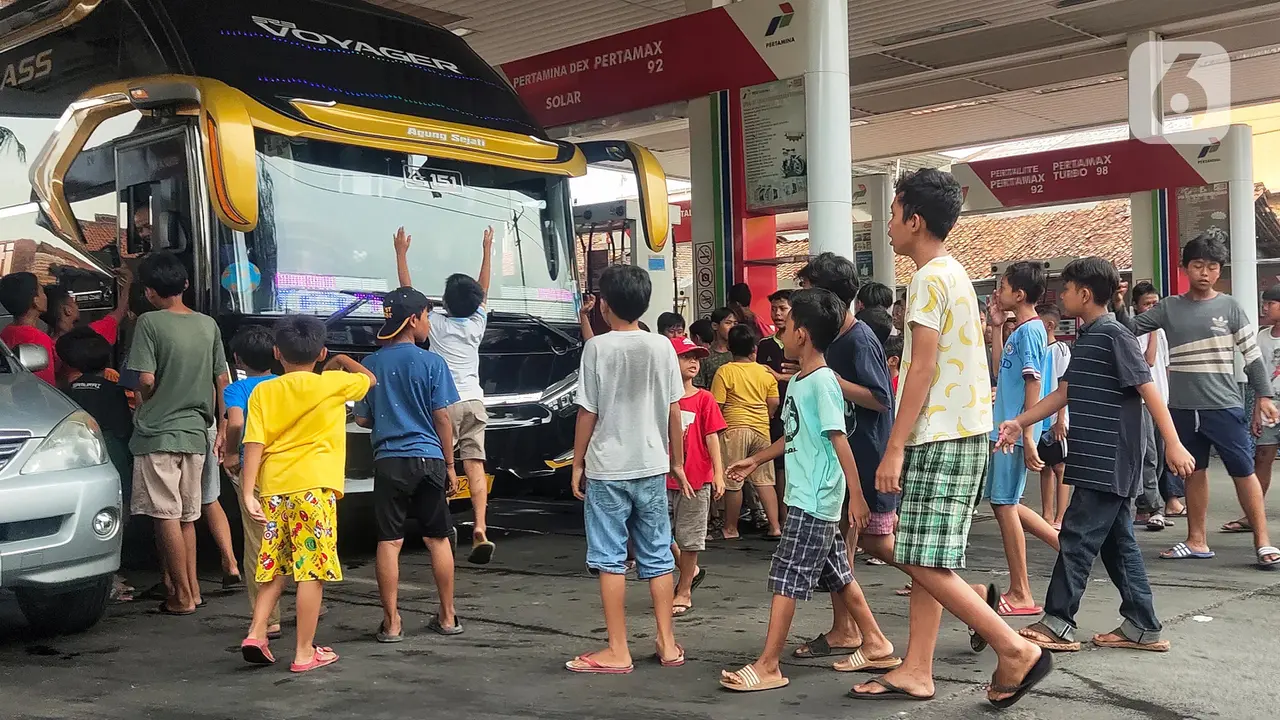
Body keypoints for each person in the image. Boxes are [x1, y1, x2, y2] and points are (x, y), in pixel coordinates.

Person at [852, 169, 1049, 707]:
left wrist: (894, 446)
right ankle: (917, 668)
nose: (887, 227)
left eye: (891, 216)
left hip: (940, 433)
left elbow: (920, 369)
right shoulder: (952, 274)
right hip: (960, 429)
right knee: (928, 559)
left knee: (918, 558)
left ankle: (1012, 648)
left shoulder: (927, 280)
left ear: (914, 221)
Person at [998, 256, 1196, 654]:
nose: (1061, 296)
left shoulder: (1113, 335)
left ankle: (1057, 621)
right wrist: (1020, 422)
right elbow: (1063, 393)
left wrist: (1172, 442)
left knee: (1077, 536)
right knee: (1117, 543)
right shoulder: (1088, 336)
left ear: (1085, 294)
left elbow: (1148, 389)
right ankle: (1142, 625)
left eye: (1067, 289)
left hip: (1110, 458)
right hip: (1096, 457)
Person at [718, 288, 886, 692]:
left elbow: (837, 438)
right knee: (838, 573)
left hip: (816, 497)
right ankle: (876, 642)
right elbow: (796, 435)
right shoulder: (800, 380)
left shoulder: (822, 382)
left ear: (803, 335)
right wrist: (756, 459)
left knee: (786, 574)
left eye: (788, 323)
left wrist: (857, 496)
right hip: (807, 494)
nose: (781, 329)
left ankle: (769, 664)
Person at [1124, 234, 1280, 568]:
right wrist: (1117, 303)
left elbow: (1252, 358)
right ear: (1185, 269)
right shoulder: (1168, 307)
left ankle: (1263, 541)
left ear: (1219, 271)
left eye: (1211, 267)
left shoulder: (1230, 307)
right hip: (1181, 408)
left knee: (1243, 471)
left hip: (1224, 405)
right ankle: (1196, 540)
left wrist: (1264, 396)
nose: (1204, 273)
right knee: (1193, 472)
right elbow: (1128, 330)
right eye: (1197, 266)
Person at [238, 315, 374, 672]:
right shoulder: (333, 384)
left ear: (277, 353)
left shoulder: (263, 391)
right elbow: (369, 380)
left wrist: (250, 491)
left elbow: (254, 442)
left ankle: (256, 632)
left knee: (273, 565)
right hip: (314, 489)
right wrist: (340, 360)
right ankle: (304, 652)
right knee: (310, 571)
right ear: (321, 351)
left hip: (274, 490)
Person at [567, 264, 685, 673]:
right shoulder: (662, 347)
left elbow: (587, 412)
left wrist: (577, 462)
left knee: (609, 558)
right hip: (652, 465)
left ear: (603, 305)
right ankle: (668, 642)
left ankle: (618, 649)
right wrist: (678, 462)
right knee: (658, 556)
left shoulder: (597, 348)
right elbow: (674, 410)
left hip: (608, 467)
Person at [788, 253, 899, 672]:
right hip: (841, 463)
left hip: (863, 457)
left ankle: (961, 594)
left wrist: (829, 380)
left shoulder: (859, 339)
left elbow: (880, 397)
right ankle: (846, 629)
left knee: (863, 544)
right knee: (847, 547)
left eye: (807, 288)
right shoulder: (834, 341)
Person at [353, 286, 464, 640]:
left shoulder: (370, 365)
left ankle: (392, 623)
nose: (429, 324)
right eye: (428, 316)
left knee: (390, 541)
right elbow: (442, 418)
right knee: (438, 538)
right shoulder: (432, 363)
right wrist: (450, 466)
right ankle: (448, 617)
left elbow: (362, 420)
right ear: (414, 319)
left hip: (389, 461)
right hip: (430, 459)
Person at [126, 252, 230, 616]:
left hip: (158, 433)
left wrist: (141, 395)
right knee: (187, 515)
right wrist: (223, 426)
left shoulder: (149, 324)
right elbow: (222, 380)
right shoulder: (208, 325)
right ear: (186, 284)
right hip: (197, 433)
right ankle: (193, 590)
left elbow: (145, 378)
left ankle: (182, 597)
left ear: (151, 292)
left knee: (165, 514)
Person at [395, 226, 496, 564]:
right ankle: (480, 526)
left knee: (442, 468)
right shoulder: (478, 323)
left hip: (446, 403)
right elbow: (483, 290)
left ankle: (445, 527)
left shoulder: (434, 322)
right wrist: (487, 249)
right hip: (475, 402)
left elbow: (408, 293)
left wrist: (401, 254)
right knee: (476, 465)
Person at [984, 262, 1061, 618]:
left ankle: (1021, 590)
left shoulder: (1031, 331)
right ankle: (1068, 549)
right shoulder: (1021, 330)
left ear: (1019, 294)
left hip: (1012, 430)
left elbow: (1033, 383)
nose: (997, 293)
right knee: (1008, 502)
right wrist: (998, 329)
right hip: (1009, 427)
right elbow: (1003, 370)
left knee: (1004, 504)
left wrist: (1027, 433)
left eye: (1002, 287)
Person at [58, 327, 135, 602]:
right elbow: (125, 428)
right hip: (113, 452)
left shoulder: (64, 392)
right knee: (118, 514)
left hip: (77, 457)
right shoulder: (114, 391)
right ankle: (113, 571)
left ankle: (94, 574)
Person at [220, 326, 280, 636]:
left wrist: (231, 453)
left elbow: (236, 422)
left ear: (238, 360)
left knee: (258, 543)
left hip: (254, 470)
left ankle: (267, 618)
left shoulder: (237, 390)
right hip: (285, 468)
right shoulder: (284, 385)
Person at [667, 334, 727, 616]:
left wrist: (718, 473)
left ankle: (684, 588)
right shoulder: (660, 398)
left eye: (696, 358)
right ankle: (689, 571)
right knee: (656, 533)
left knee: (690, 536)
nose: (693, 362)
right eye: (686, 357)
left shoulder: (704, 398)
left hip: (695, 477)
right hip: (661, 476)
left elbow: (712, 437)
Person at [712, 324, 781, 539]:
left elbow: (718, 404)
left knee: (734, 479)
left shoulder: (725, 371)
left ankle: (731, 528)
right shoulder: (764, 371)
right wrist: (767, 416)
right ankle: (775, 527)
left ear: (731, 348)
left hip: (734, 428)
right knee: (765, 479)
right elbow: (774, 401)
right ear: (754, 348)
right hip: (761, 428)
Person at [1231, 284, 1280, 536]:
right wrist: (1254, 414)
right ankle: (1253, 513)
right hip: (1269, 403)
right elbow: (1259, 377)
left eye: (1271, 303)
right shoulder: (1262, 337)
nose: (1266, 307)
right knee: (1262, 457)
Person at [1129, 281, 1175, 531]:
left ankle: (1146, 506)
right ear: (1136, 306)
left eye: (1155, 304)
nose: (1152, 308)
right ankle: (1156, 507)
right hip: (1143, 401)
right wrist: (1153, 329)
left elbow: (1165, 367)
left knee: (1160, 455)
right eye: (1147, 304)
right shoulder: (1135, 331)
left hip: (1161, 400)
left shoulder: (1163, 332)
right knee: (1149, 455)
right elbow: (1148, 359)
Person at [42, 270, 131, 380]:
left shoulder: (44, 347)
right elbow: (121, 311)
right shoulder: (90, 336)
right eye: (73, 302)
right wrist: (129, 279)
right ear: (67, 310)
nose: (77, 305)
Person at [756, 290, 797, 523]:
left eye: (782, 308)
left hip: (798, 411)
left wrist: (781, 378)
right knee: (779, 466)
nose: (777, 314)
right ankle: (782, 520)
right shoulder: (764, 345)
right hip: (774, 414)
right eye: (774, 309)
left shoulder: (803, 339)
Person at [1035, 304, 1071, 529]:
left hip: (1057, 419)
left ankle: (1061, 515)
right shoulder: (1038, 350)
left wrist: (1060, 420)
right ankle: (1047, 515)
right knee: (1044, 466)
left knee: (1060, 467)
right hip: (1039, 418)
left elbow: (1063, 386)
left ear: (1049, 325)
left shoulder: (1061, 351)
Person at [0, 272, 55, 384]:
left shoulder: (6, 332)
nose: (45, 296)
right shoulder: (38, 340)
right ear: (36, 301)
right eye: (42, 292)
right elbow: (46, 385)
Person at [694, 307, 736, 389]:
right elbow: (699, 388)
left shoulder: (740, 353)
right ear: (715, 326)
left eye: (735, 323)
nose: (732, 327)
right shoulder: (705, 356)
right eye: (728, 323)